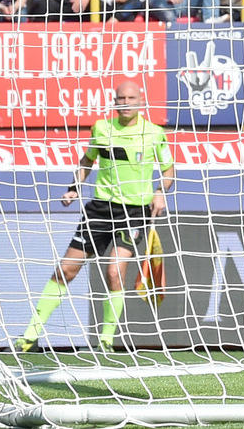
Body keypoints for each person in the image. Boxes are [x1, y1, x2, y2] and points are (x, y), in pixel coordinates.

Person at [15, 83, 173, 353]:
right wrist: (74, 187)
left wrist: (160, 192)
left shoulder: (154, 133)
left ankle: (106, 341)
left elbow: (168, 170)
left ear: (141, 100)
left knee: (114, 271)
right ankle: (29, 337)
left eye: (131, 97)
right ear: (115, 101)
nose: (126, 102)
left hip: (135, 212)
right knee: (66, 270)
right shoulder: (101, 128)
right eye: (121, 98)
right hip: (100, 209)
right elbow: (87, 161)